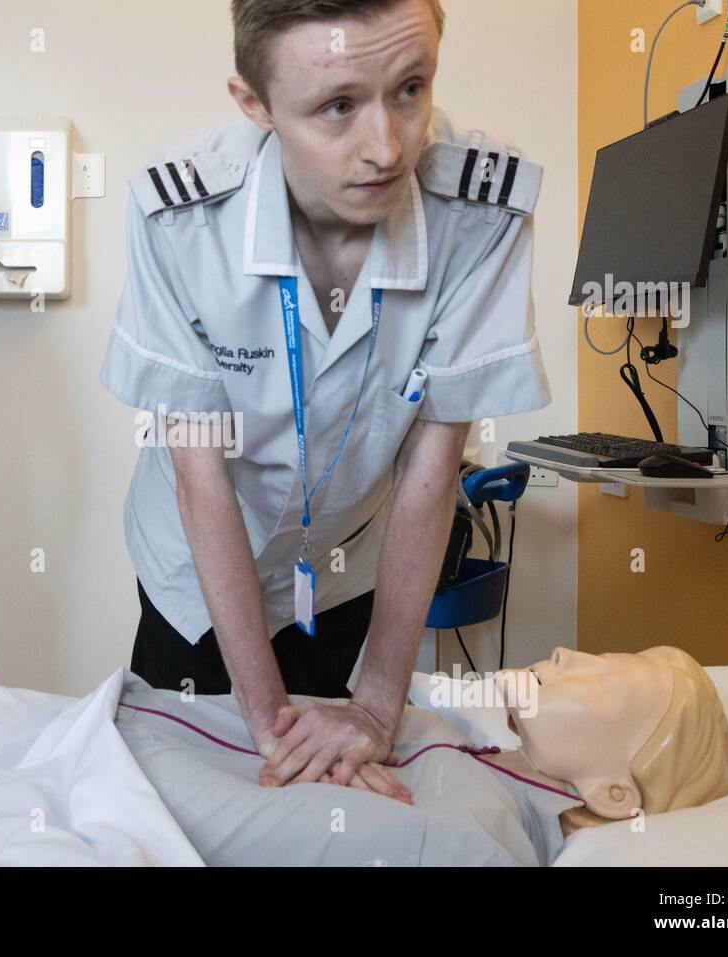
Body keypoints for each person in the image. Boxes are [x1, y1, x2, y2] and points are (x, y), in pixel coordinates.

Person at [99, 0, 552, 790]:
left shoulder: (481, 214)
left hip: (350, 559)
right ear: (254, 104)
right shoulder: (179, 219)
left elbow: (430, 468)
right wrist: (270, 724)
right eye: (338, 106)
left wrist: (376, 707)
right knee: (202, 787)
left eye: (411, 89)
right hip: (197, 573)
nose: (387, 148)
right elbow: (200, 477)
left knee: (340, 787)